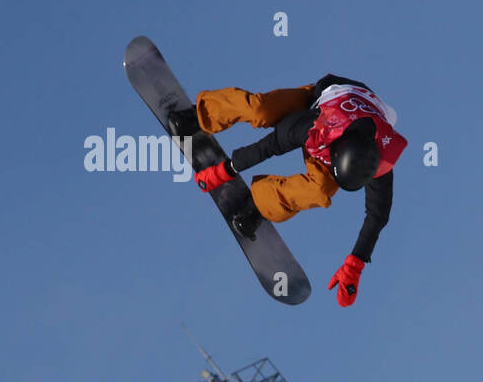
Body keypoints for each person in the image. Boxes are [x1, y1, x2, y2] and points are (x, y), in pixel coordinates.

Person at [167, 74, 406, 307]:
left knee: (320, 190)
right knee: (261, 110)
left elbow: (378, 215)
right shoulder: (308, 127)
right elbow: (269, 147)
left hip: (354, 128)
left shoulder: (381, 163)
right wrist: (225, 171)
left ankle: (259, 204)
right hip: (316, 102)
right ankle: (198, 116)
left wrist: (355, 264)